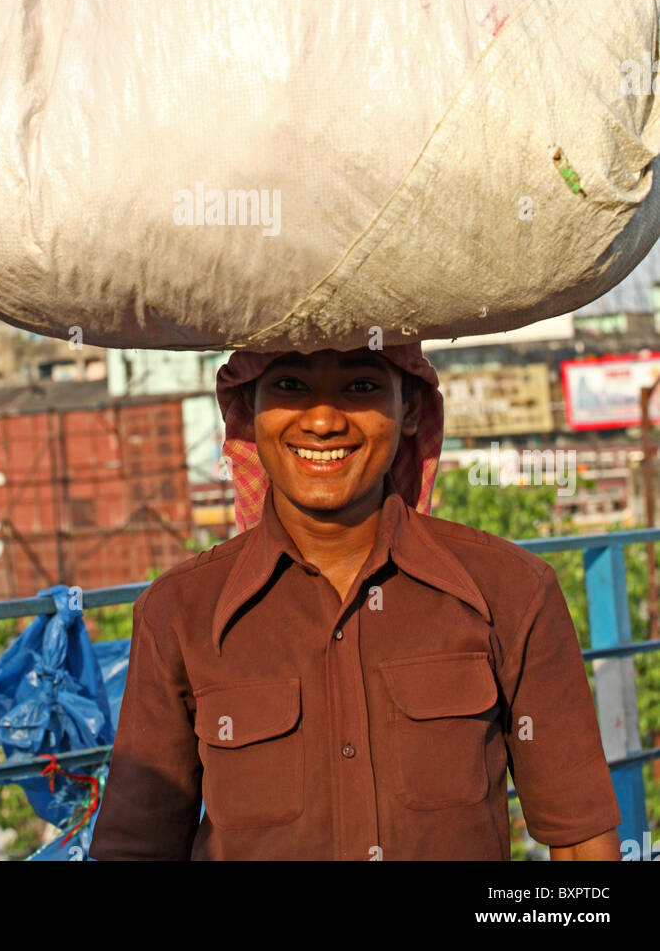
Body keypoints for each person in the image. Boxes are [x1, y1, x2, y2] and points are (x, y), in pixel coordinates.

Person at [89, 343, 622, 861]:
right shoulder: (179, 612)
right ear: (246, 413)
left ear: (409, 409)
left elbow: (578, 841)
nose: (323, 421)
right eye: (290, 386)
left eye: (361, 386)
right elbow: (138, 847)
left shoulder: (510, 590)